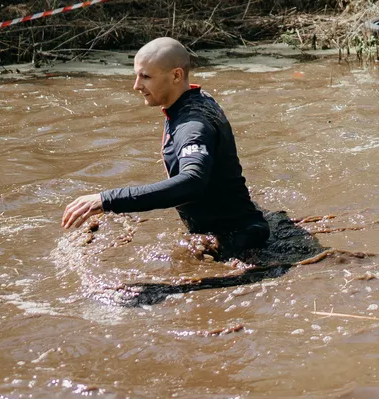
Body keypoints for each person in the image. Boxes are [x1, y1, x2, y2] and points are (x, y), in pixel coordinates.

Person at [61, 37, 270, 258]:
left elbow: (193, 181)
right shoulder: (193, 99)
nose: (136, 85)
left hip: (238, 239)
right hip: (225, 230)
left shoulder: (192, 125)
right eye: (137, 75)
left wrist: (107, 200)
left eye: (146, 77)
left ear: (176, 75)